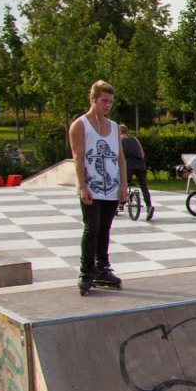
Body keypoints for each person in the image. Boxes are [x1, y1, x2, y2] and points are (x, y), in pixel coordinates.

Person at [68, 80, 127, 293]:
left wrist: (123, 184)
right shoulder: (80, 125)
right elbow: (78, 157)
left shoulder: (113, 127)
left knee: (105, 228)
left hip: (110, 186)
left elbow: (120, 157)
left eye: (110, 102)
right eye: (104, 101)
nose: (107, 105)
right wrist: (83, 186)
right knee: (91, 228)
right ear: (93, 99)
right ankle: (86, 270)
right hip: (91, 186)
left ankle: (102, 267)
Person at [121, 132, 153, 221]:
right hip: (141, 164)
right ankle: (149, 207)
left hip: (129, 165)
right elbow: (142, 154)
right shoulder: (135, 139)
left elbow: (120, 156)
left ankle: (121, 203)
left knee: (123, 183)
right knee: (144, 187)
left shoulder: (120, 140)